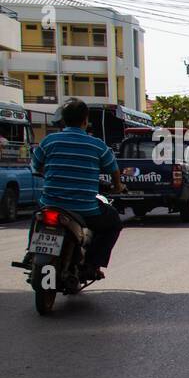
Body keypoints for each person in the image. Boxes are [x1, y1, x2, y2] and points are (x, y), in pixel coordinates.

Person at [31, 98, 125, 275]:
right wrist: (118, 186)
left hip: (50, 203)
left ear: (64, 120)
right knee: (113, 224)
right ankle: (92, 264)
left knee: (37, 217)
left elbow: (36, 165)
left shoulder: (48, 141)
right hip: (85, 208)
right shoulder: (97, 145)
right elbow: (114, 170)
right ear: (85, 121)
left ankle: (31, 252)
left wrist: (49, 172)